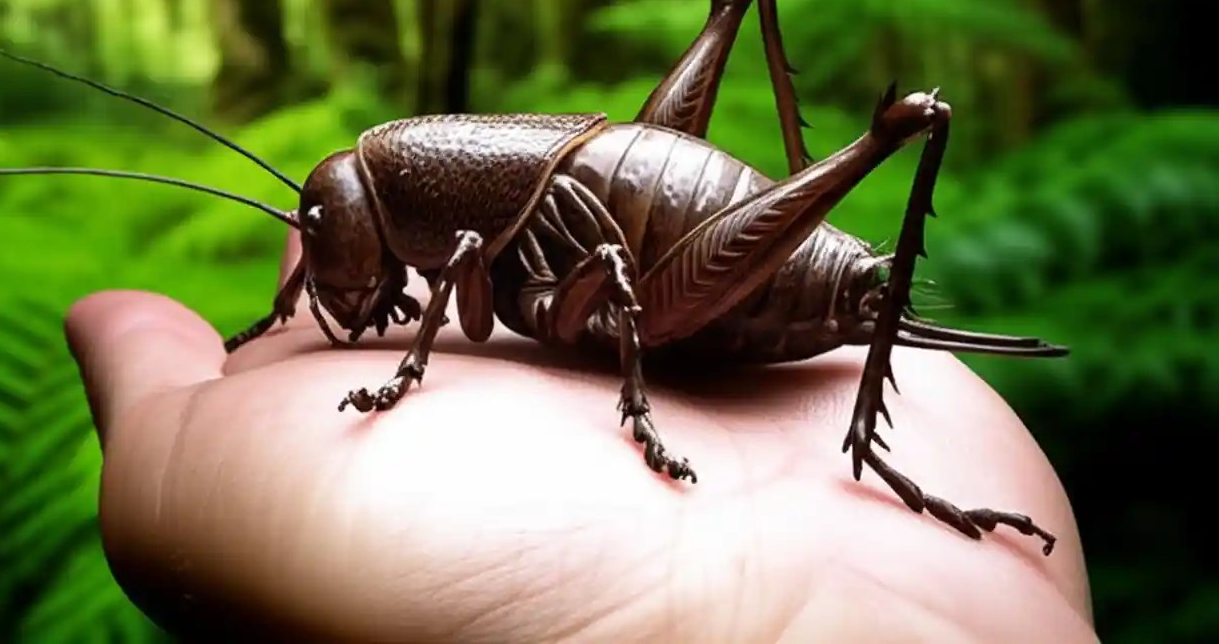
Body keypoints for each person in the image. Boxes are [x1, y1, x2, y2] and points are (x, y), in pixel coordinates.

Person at [65, 231, 1097, 642]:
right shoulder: (463, 246)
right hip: (668, 266)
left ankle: (867, 450)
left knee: (608, 255)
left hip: (711, 273)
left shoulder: (470, 242)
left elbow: (580, 264)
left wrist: (408, 372)